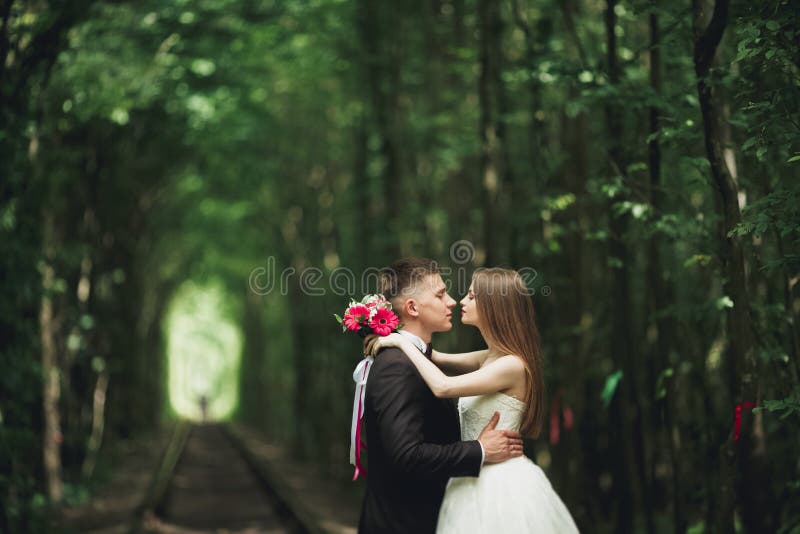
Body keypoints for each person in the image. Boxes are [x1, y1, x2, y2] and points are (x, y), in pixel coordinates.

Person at [371, 267, 579, 533]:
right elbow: (433, 356)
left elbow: (443, 386)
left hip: (501, 481)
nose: (461, 301)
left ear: (494, 306)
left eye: (471, 296)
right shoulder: (489, 357)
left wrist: (400, 343)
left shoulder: (511, 365)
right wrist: (390, 330)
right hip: (473, 474)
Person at [358, 258, 524, 534]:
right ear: (413, 308)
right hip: (402, 524)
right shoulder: (397, 366)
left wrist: (400, 340)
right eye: (440, 295)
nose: (453, 302)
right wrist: (480, 449)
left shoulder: (419, 359)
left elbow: (440, 377)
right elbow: (407, 454)